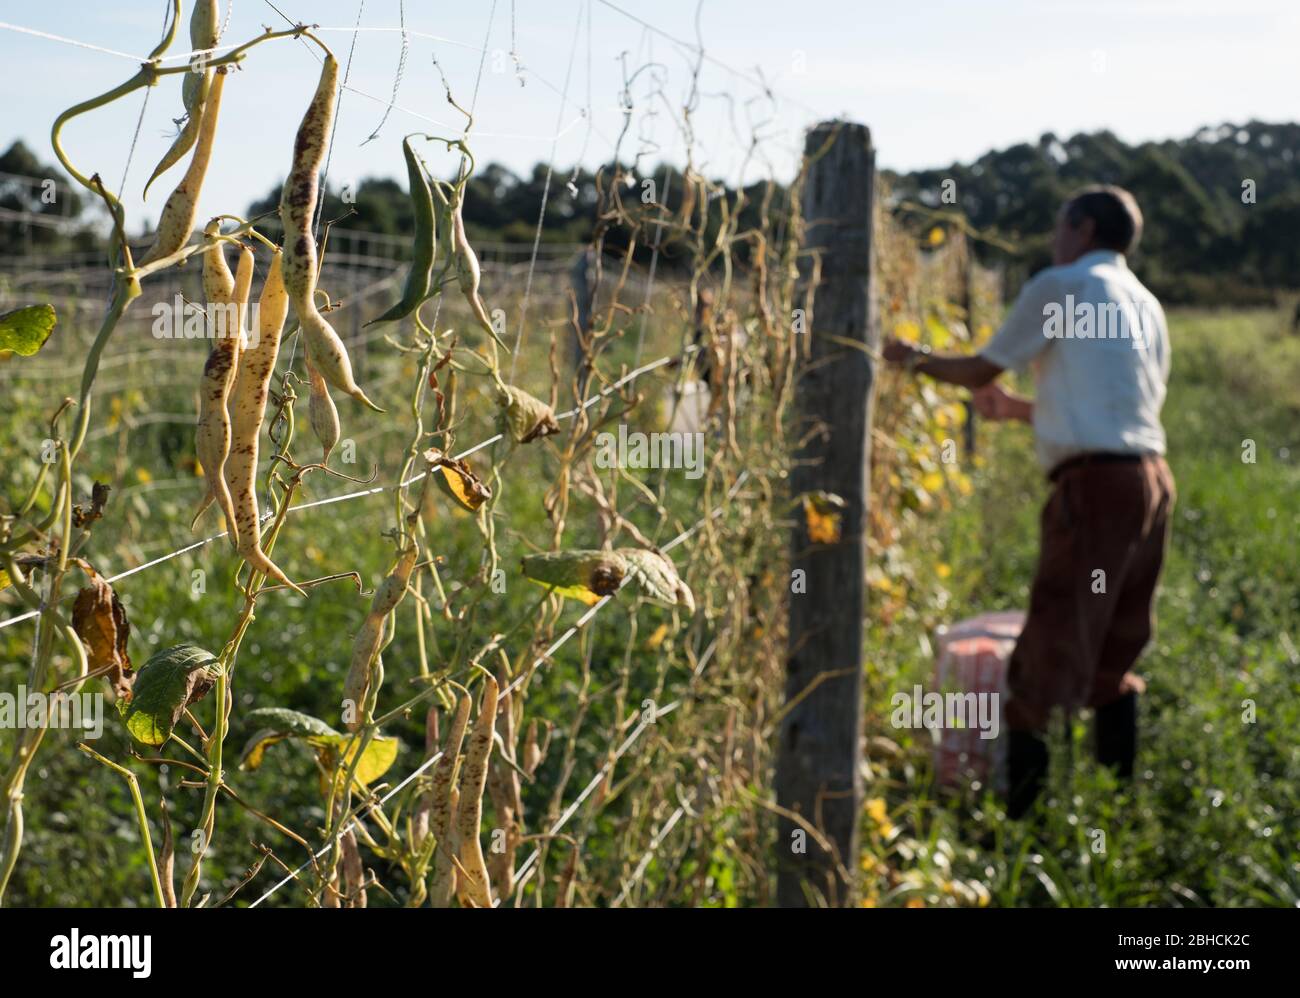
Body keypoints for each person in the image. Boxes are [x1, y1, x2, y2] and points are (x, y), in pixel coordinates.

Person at [882, 186, 1176, 818]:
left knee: (1047, 647)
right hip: (1150, 480)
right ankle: (1116, 811)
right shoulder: (1145, 302)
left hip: (1095, 490)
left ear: (1083, 226)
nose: (1052, 237)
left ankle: (1022, 825)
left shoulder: (1059, 285)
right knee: (1117, 643)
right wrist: (1022, 412)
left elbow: (979, 370)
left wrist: (911, 359)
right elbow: (1115, 401)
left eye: (1058, 225)